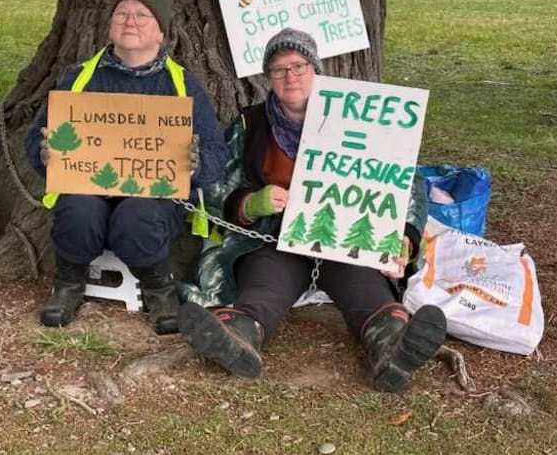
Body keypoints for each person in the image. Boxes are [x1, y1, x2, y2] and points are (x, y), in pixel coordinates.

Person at [177, 28, 445, 393]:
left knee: (367, 290)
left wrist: (405, 237)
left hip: (347, 237)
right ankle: (238, 339)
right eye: (279, 69)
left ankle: (393, 347)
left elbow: (406, 183)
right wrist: (250, 203)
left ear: (315, 69)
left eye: (299, 66)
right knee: (263, 288)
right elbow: (217, 184)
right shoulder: (250, 124)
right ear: (268, 78)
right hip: (273, 238)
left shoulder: (362, 118)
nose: (290, 77)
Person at [25, 0, 227, 335]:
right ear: (110, 25)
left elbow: (215, 152)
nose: (130, 21)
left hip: (152, 198)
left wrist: (196, 164)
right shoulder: (80, 79)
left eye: (142, 15)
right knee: (77, 209)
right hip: (89, 188)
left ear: (161, 32)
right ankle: (68, 284)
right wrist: (45, 154)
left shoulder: (181, 86)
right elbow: (35, 138)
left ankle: (158, 288)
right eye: (121, 13)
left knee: (139, 215)